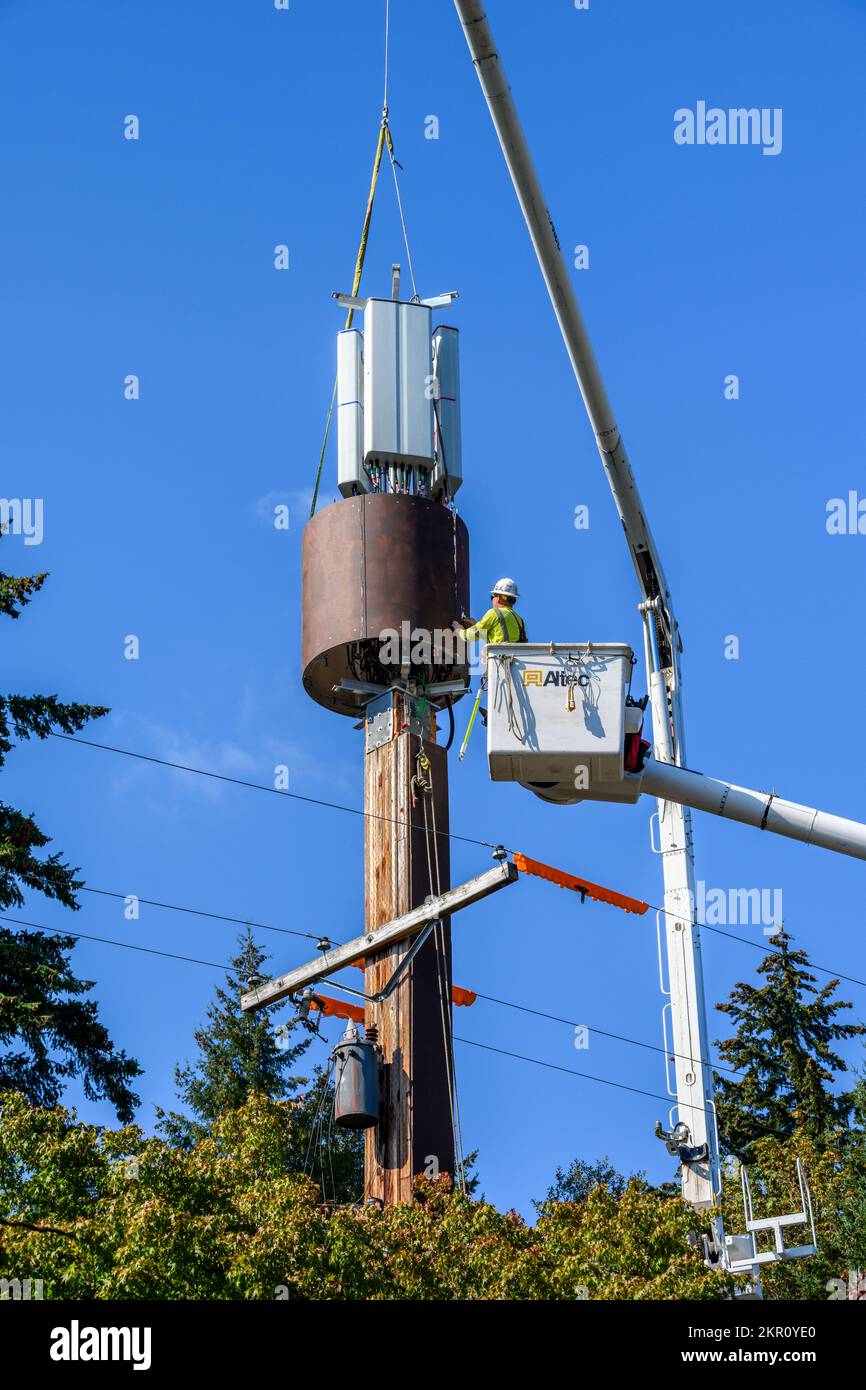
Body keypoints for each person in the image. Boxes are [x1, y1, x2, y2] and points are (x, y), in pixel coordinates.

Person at [453, 577, 527, 645]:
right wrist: (476, 625)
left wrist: (459, 631)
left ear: (499, 597)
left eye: (493, 596)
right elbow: (500, 637)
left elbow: (472, 635)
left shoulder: (494, 613)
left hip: (499, 657)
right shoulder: (519, 620)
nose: (492, 599)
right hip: (514, 658)